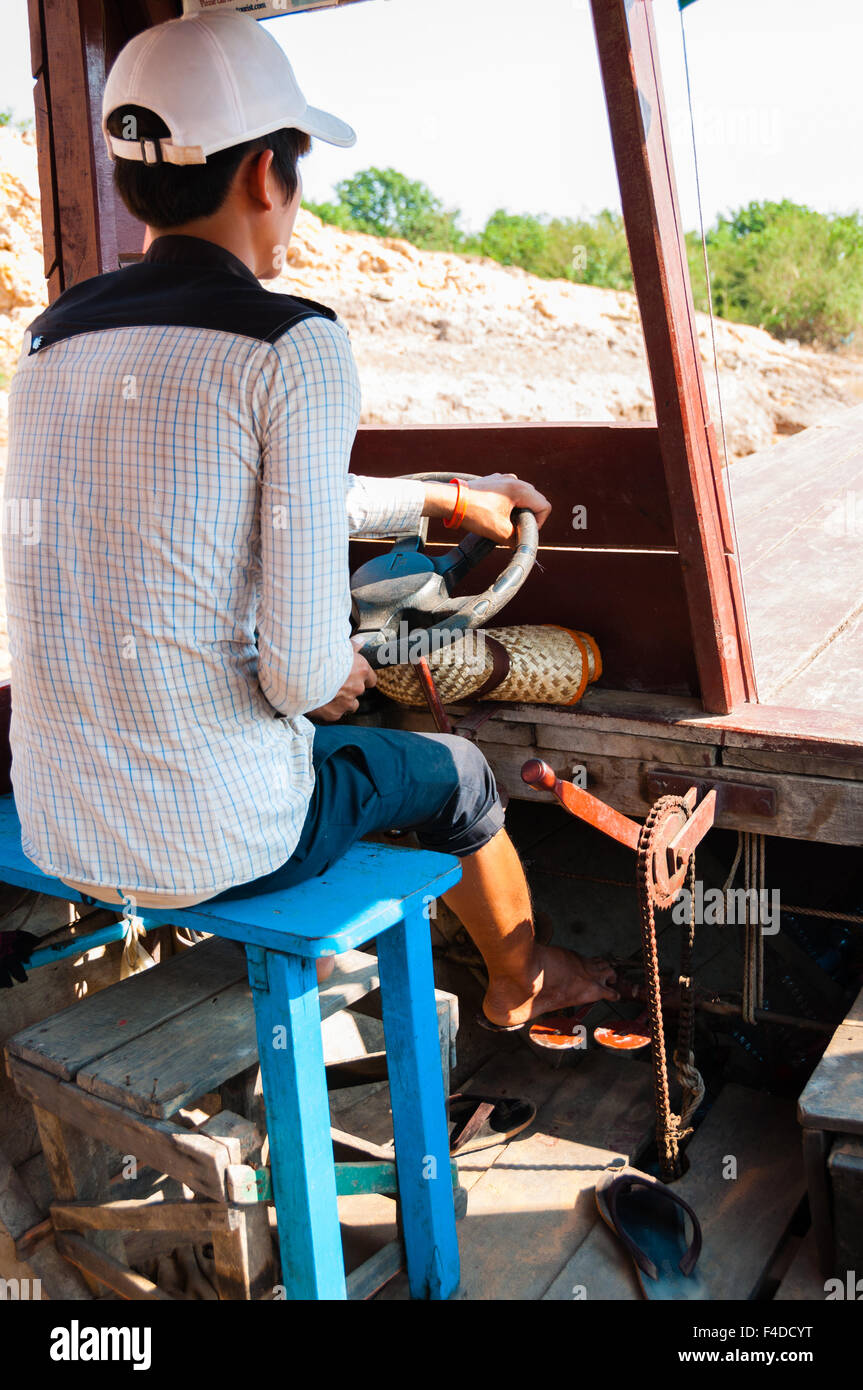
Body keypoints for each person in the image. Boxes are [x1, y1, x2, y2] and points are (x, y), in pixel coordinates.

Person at [4, 8, 617, 1027]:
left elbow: (230, 493)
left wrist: (441, 495)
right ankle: (522, 978)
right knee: (455, 773)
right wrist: (329, 668)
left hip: (60, 825)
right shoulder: (294, 343)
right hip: (215, 848)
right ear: (261, 176)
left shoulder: (51, 346)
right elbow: (295, 674)